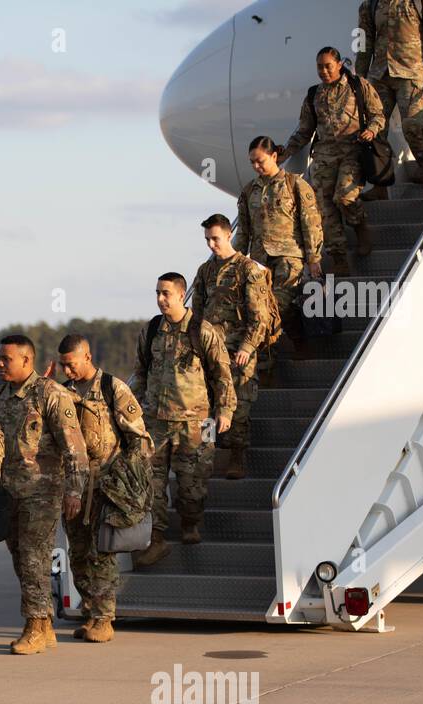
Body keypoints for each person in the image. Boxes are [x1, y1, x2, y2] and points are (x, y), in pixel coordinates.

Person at [128, 275, 236, 565]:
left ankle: (190, 522)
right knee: (151, 483)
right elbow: (141, 373)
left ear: (181, 294)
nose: (161, 299)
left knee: (193, 486)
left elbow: (222, 374)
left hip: (196, 425)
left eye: (166, 294)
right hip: (155, 423)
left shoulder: (202, 330)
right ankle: (157, 539)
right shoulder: (151, 330)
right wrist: (128, 408)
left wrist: (225, 410)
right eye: (157, 294)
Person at [0, 334, 88, 655]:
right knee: (21, 559)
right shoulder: (1, 396)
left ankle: (33, 627)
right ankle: (45, 625)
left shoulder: (50, 394)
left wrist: (74, 491)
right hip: (10, 492)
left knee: (34, 557)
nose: (0, 364)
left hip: (42, 491)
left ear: (26, 360)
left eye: (6, 359)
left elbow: (75, 448)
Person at [56, 334, 152, 644]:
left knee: (102, 552)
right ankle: (89, 611)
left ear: (87, 356)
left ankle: (104, 618)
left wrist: (130, 479)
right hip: (75, 485)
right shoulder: (63, 393)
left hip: (108, 483)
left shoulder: (113, 389)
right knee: (78, 553)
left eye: (70, 365)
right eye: (62, 366)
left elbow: (139, 438)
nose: (67, 371)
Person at [281, 47, 387, 276]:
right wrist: (286, 151)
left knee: (345, 197)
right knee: (324, 207)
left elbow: (378, 114)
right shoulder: (314, 95)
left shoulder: (358, 87)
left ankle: (360, 228)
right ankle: (339, 258)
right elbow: (304, 130)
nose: (324, 71)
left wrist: (371, 130)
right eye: (320, 67)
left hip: (352, 152)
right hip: (324, 157)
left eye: (328, 66)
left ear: (339, 64)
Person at [191, 214, 276, 481]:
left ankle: (236, 455)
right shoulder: (205, 271)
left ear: (228, 235)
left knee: (238, 406)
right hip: (211, 351)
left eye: (215, 239)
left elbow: (259, 316)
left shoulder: (247, 269)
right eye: (207, 240)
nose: (211, 245)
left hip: (239, 350)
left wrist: (248, 347)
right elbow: (197, 313)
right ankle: (206, 455)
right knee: (206, 404)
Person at [235, 136, 324, 369]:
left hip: (289, 258)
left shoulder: (295, 185)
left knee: (278, 305)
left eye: (260, 161)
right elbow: (244, 231)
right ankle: (268, 360)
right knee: (259, 308)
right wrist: (235, 260)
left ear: (274, 156)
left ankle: (297, 340)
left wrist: (314, 258)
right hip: (259, 261)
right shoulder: (248, 192)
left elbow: (310, 223)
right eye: (252, 162)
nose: (256, 166)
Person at [357, 0, 423, 198]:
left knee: (412, 126)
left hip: (411, 74)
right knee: (375, 131)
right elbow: (364, 43)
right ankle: (380, 185)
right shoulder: (371, 4)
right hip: (380, 75)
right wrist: (360, 79)